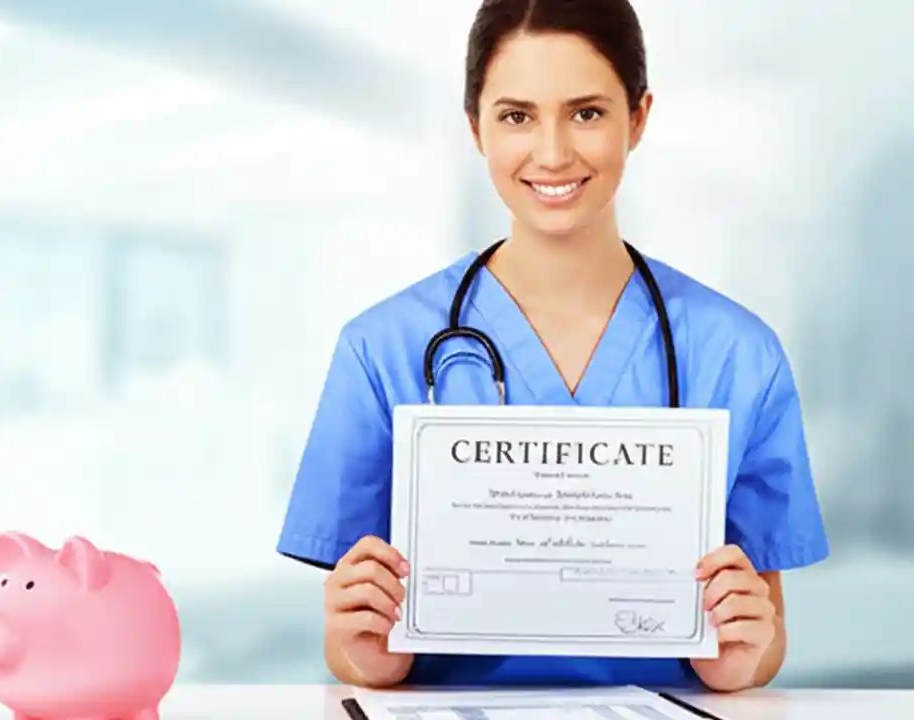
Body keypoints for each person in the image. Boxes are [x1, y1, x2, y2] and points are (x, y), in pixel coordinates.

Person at [275, 0, 830, 693]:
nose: (553, 152)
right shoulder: (381, 350)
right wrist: (363, 655)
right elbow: (355, 642)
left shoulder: (738, 355)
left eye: (587, 113)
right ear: (475, 126)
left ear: (640, 117)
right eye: (516, 116)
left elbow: (764, 628)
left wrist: (744, 657)